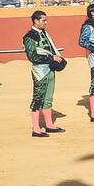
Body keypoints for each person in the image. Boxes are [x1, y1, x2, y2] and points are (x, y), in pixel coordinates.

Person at [23, 10, 65, 138]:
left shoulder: (45, 34)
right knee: (38, 99)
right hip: (39, 71)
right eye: (43, 20)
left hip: (49, 69)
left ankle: (49, 125)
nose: (46, 23)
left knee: (48, 99)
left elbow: (51, 50)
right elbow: (32, 57)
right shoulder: (29, 36)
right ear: (36, 21)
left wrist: (55, 58)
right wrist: (51, 58)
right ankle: (36, 129)